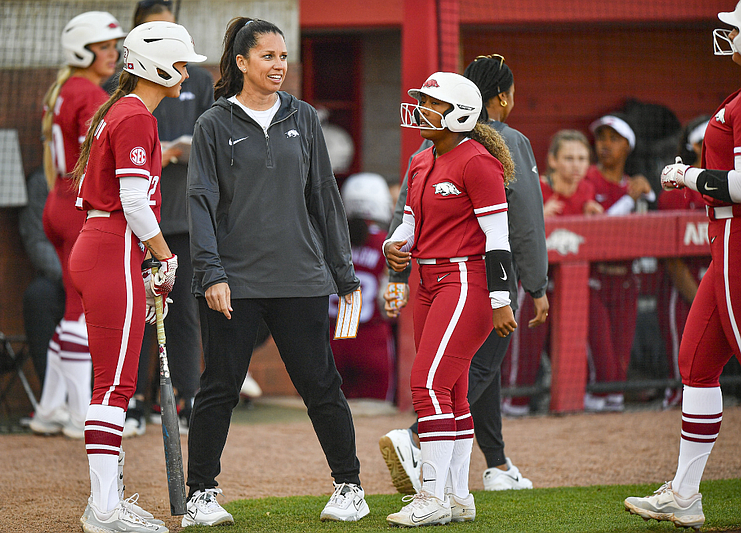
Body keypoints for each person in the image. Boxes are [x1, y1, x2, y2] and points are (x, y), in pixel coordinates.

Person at [184, 17, 369, 526]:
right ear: (241, 63)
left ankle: (349, 487)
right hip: (233, 283)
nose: (279, 66)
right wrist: (211, 273)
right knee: (219, 385)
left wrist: (344, 274)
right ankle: (201, 494)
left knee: (321, 385)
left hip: (301, 280)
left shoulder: (305, 117)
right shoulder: (212, 125)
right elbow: (200, 203)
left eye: (283, 57)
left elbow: (324, 198)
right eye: (268, 56)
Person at [380, 54, 546, 499]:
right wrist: (393, 249)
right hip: (429, 280)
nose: (420, 110)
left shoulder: (479, 159)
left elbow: (500, 236)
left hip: (468, 279)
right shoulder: (422, 158)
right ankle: (463, 490)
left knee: (430, 382)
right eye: (422, 102)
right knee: (456, 384)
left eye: (431, 103)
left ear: (459, 112)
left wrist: (502, 298)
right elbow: (409, 220)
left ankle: (431, 490)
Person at [68, 20, 207, 533]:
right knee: (115, 388)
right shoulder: (135, 116)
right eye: (181, 61)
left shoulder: (120, 110)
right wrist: (165, 257)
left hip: (106, 248)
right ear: (156, 65)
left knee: (114, 385)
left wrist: (146, 261)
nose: (187, 71)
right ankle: (105, 508)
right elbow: (131, 201)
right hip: (112, 248)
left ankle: (106, 501)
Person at [625, 5, 741, 528]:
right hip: (726, 241)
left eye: (734, 28)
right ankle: (685, 494)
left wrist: (686, 174)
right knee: (695, 362)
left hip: (738, 235)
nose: (728, 35)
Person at [28, 11, 126, 439]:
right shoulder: (87, 93)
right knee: (76, 314)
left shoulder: (63, 88)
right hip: (76, 210)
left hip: (57, 203)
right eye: (104, 47)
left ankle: (49, 409)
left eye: (113, 46)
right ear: (82, 50)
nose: (113, 53)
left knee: (72, 311)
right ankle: (76, 414)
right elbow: (101, 156)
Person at [120, 0, 214, 439]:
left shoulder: (196, 80)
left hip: (180, 214)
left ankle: (186, 396)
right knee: (139, 314)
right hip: (138, 227)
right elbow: (129, 194)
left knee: (181, 315)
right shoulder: (127, 102)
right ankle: (133, 401)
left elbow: (213, 145)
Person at [501, 130, 602, 415]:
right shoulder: (536, 187)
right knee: (526, 343)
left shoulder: (586, 190)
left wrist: (594, 215)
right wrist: (538, 215)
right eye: (568, 158)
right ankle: (513, 401)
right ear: (552, 161)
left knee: (575, 345)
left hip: (572, 286)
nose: (576, 165)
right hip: (529, 282)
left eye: (582, 158)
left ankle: (573, 399)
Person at [584, 113, 655, 412]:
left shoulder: (637, 184)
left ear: (628, 146)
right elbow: (597, 231)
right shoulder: (588, 178)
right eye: (601, 138)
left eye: (614, 139)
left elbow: (652, 233)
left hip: (626, 279)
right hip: (594, 278)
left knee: (620, 363)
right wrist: (628, 199)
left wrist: (647, 196)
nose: (606, 145)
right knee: (604, 363)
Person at [655, 116, 710, 410]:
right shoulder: (678, 188)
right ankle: (677, 402)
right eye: (702, 142)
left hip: (719, 282)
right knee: (685, 359)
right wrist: (702, 298)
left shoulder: (731, 185)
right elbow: (673, 262)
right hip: (684, 289)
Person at [330, 172, 396, 401]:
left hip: (332, 337)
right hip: (371, 338)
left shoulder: (329, 239)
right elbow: (392, 301)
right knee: (376, 415)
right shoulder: (387, 243)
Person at [20, 167, 65, 385]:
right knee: (37, 297)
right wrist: (69, 278)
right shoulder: (41, 181)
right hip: (61, 276)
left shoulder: (100, 175)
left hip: (96, 274)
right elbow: (37, 240)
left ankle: (126, 400)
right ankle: (52, 395)